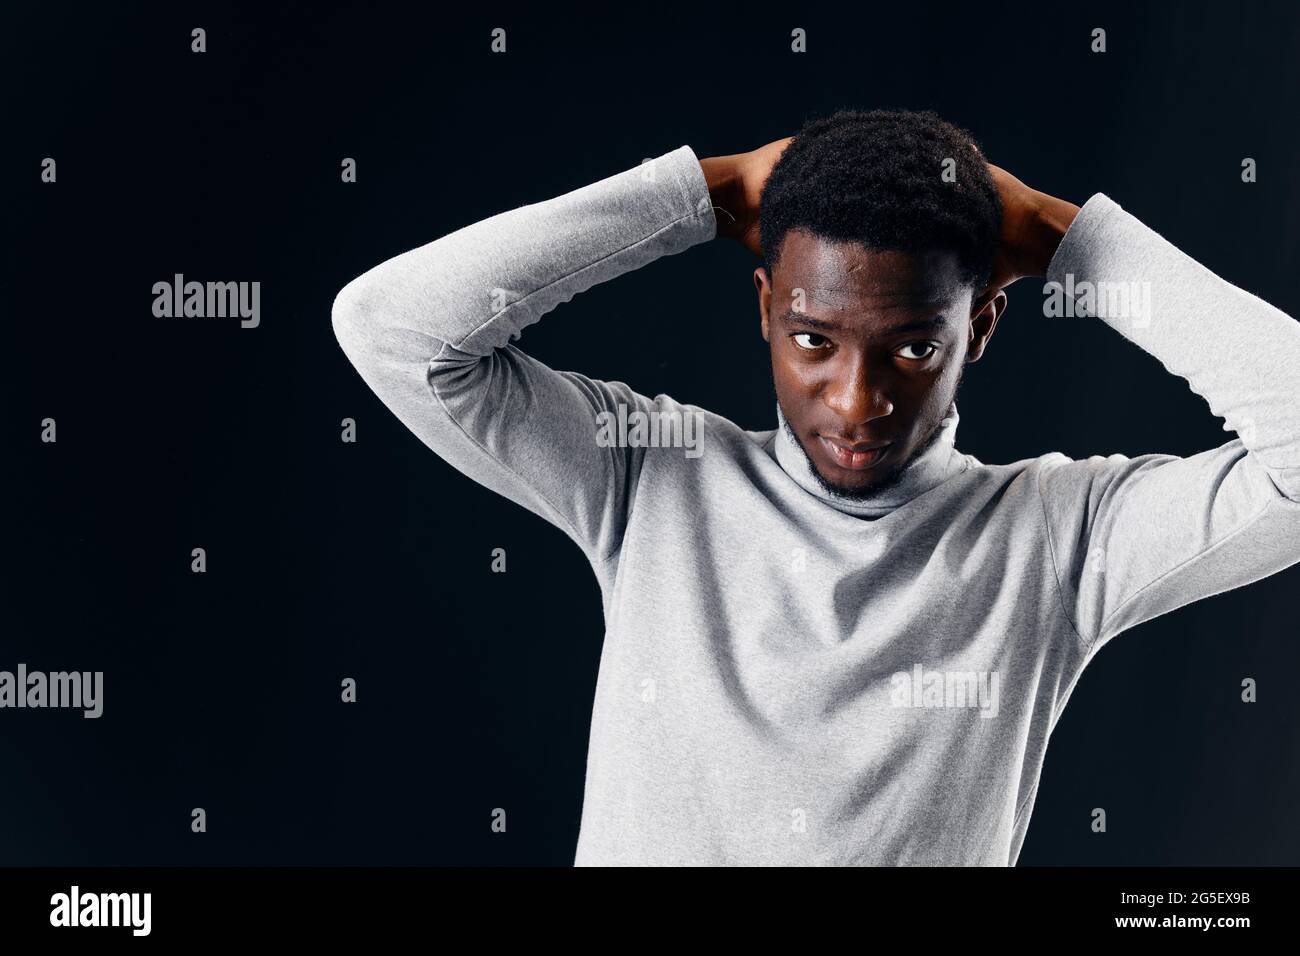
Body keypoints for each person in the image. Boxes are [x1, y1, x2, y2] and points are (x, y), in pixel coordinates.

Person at [330, 108, 1300, 865]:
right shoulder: (650, 474)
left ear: (983, 328)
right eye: (812, 340)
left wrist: (1064, 235)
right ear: (764, 307)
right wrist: (701, 191)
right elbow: (394, 329)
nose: (856, 399)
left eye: (915, 344)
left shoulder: (1058, 537)